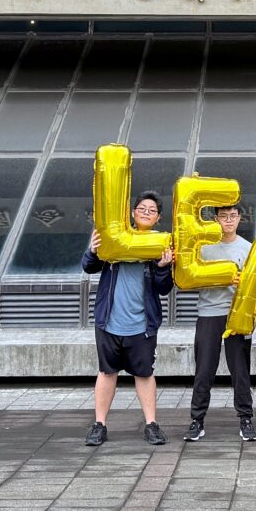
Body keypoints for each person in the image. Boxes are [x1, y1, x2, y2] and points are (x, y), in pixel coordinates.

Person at [80, 191, 175, 447]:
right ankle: (99, 424)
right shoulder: (115, 239)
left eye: (152, 210)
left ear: (158, 218)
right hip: (109, 320)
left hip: (142, 324)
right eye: (142, 208)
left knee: (144, 374)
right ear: (132, 213)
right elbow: (89, 267)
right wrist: (93, 249)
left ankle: (151, 425)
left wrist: (164, 267)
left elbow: (163, 288)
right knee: (106, 372)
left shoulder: (160, 245)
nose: (146, 212)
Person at [183, 201, 256, 443]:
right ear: (215, 219)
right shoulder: (203, 248)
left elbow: (254, 285)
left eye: (233, 215)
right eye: (223, 216)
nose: (228, 220)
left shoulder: (248, 248)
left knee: (240, 370)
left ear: (239, 219)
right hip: (208, 313)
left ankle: (246, 419)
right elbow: (191, 279)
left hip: (236, 314)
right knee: (204, 369)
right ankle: (197, 420)